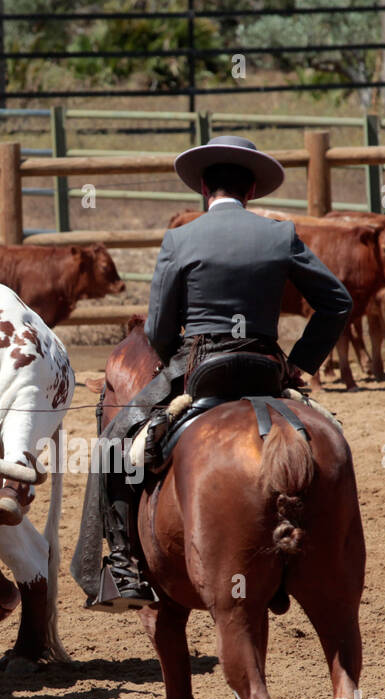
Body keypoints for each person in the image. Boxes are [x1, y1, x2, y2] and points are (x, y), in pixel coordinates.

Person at [76, 136, 353, 612]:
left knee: (112, 445)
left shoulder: (181, 238)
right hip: (267, 370)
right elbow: (337, 303)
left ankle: (122, 567)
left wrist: (169, 358)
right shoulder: (281, 234)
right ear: (251, 191)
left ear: (204, 187)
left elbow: (160, 328)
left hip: (201, 369)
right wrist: (300, 363)